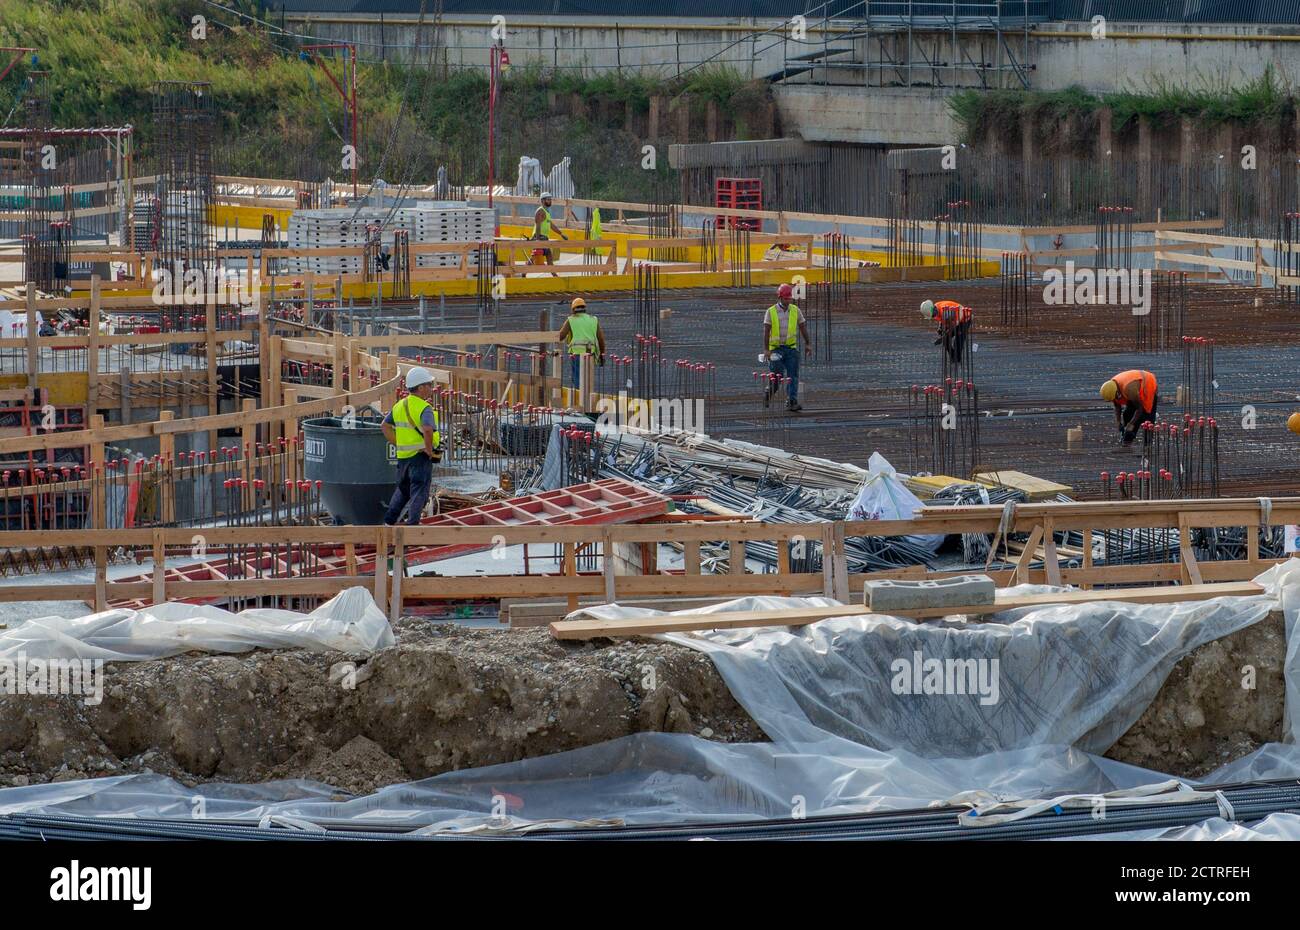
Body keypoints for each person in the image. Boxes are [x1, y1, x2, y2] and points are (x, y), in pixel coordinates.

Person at [381, 367, 442, 526]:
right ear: (420, 387)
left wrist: (399, 443)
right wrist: (428, 449)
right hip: (420, 458)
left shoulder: (399, 405)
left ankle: (388, 523)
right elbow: (428, 430)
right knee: (419, 493)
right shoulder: (424, 407)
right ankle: (412, 528)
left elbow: (385, 426)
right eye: (429, 384)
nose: (431, 388)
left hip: (403, 459)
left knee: (403, 491)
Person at [762, 283, 813, 411]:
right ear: (780, 298)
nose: (788, 300)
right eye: (786, 298)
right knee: (777, 377)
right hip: (776, 349)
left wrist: (808, 343)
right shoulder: (771, 311)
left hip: (791, 349)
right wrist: (766, 350)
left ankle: (791, 401)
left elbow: (802, 327)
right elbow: (766, 331)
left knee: (793, 376)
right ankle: (769, 393)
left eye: (790, 298)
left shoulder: (796, 310)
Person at [1100, 369, 1159, 445]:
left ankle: (1147, 444)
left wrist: (1131, 423)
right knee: (1127, 414)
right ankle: (1128, 438)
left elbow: (1139, 409)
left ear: (1117, 392)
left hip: (1148, 384)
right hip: (1135, 386)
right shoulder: (1112, 387)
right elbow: (1117, 406)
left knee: (1146, 417)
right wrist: (1118, 422)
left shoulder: (1130, 389)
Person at [558, 297, 604, 390]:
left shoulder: (571, 320)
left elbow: (561, 336)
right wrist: (602, 354)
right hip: (591, 352)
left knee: (578, 378)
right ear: (584, 308)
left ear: (573, 309)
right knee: (588, 378)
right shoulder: (593, 319)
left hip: (577, 353)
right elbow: (600, 339)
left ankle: (580, 399)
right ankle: (587, 398)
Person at [919, 299, 972, 365]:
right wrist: (940, 327)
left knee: (958, 342)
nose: (933, 317)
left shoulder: (946, 312)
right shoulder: (936, 308)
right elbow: (941, 319)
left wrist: (943, 337)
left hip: (964, 320)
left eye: (932, 315)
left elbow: (952, 326)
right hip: (952, 321)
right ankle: (954, 357)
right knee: (946, 340)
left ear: (933, 310)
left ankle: (957, 359)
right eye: (931, 316)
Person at [530, 191, 568, 277]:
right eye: (548, 199)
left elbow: (551, 225)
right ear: (542, 201)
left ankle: (524, 272)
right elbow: (538, 226)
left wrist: (561, 234)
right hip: (540, 237)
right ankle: (554, 275)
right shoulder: (540, 211)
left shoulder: (547, 212)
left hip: (544, 238)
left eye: (550, 199)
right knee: (546, 255)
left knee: (535, 257)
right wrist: (538, 240)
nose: (550, 201)